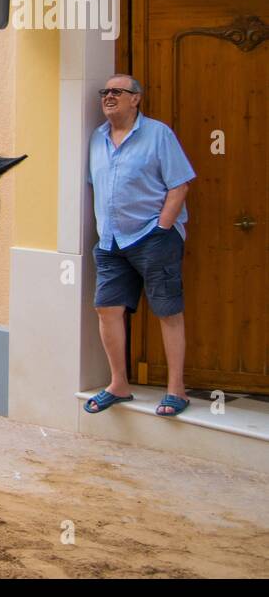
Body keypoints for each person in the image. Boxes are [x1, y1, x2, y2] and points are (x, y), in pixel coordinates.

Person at [85, 75, 196, 418]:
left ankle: (176, 390)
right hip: (110, 241)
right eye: (105, 92)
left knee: (167, 310)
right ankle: (119, 384)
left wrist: (163, 228)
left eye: (118, 91)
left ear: (136, 99)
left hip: (153, 236)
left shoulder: (158, 134)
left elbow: (180, 186)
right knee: (107, 309)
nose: (109, 96)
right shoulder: (96, 138)